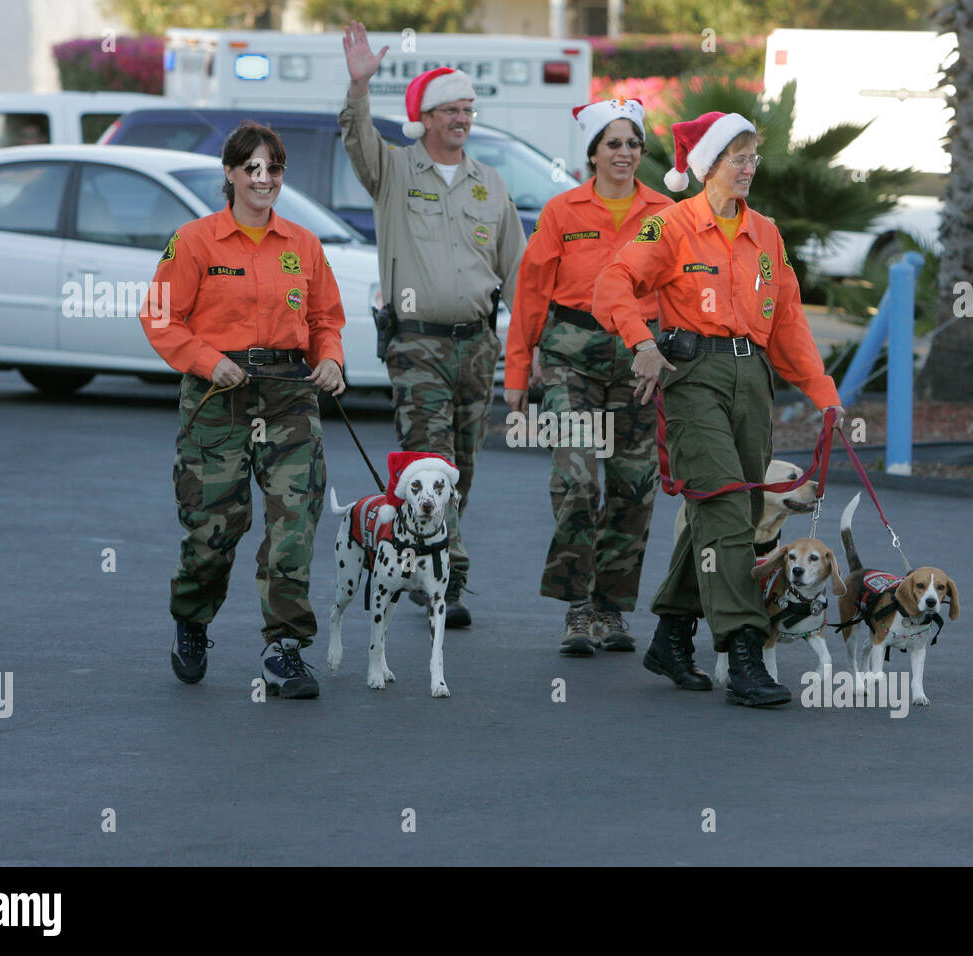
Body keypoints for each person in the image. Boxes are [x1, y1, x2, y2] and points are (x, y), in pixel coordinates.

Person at [592, 111, 845, 708]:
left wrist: (826, 395)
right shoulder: (672, 226)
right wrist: (643, 343)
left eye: (754, 156)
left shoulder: (767, 234)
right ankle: (744, 648)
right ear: (707, 166)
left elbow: (788, 323)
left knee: (727, 509)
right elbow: (612, 284)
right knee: (731, 511)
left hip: (752, 378)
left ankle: (671, 634)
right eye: (737, 156)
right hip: (693, 376)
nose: (749, 166)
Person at [140, 120, 347, 699]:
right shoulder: (194, 241)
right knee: (215, 530)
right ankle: (192, 618)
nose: (263, 178)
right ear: (229, 174)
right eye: (251, 168)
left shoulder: (303, 244)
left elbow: (325, 319)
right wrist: (207, 360)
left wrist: (330, 359)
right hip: (217, 399)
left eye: (273, 168)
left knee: (294, 522)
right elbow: (158, 316)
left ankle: (284, 649)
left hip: (289, 396)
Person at [339, 20, 525, 628]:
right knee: (428, 460)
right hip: (416, 344)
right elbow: (356, 139)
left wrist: (525, 348)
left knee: (462, 465)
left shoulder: (489, 184)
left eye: (468, 109)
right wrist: (360, 87)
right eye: (451, 109)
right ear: (425, 116)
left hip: (477, 345)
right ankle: (445, 575)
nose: (462, 119)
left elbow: (518, 271)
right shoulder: (393, 172)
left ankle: (432, 560)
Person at [505, 97, 674, 656]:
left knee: (634, 485)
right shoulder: (561, 211)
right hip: (568, 359)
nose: (624, 153)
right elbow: (530, 293)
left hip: (637, 361)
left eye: (632, 143)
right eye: (613, 143)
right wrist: (516, 372)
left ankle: (611, 609)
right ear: (593, 153)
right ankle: (577, 607)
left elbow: (675, 294)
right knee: (577, 481)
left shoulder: (665, 212)